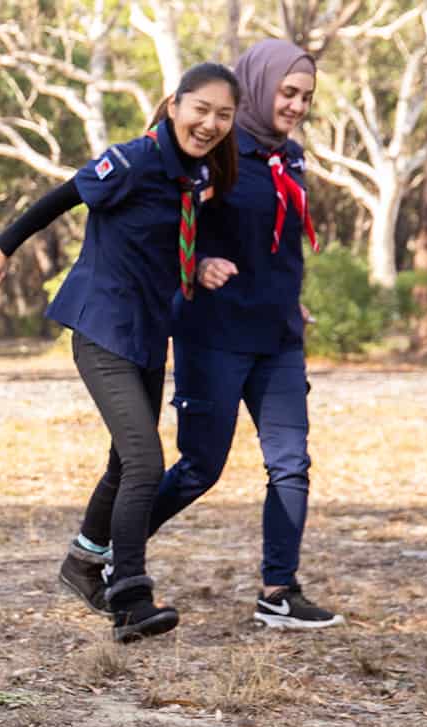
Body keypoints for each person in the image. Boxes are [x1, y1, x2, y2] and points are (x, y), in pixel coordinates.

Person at [0, 64, 242, 643]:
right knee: (146, 461)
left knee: (126, 463)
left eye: (224, 115)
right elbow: (64, 196)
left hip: (147, 333)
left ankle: (81, 565)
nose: (212, 123)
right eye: (202, 109)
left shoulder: (193, 174)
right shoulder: (134, 159)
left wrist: (198, 264)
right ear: (174, 104)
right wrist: (2, 246)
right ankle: (131, 598)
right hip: (102, 326)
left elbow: (161, 240)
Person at [146, 40, 343, 629]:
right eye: (288, 93)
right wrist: (198, 259)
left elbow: (277, 243)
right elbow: (166, 219)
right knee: (200, 467)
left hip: (278, 337)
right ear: (259, 85)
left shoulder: (293, 158)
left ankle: (278, 590)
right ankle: (109, 548)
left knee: (291, 463)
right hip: (215, 333)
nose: (297, 106)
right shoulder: (215, 152)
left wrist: (293, 301)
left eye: (305, 96)